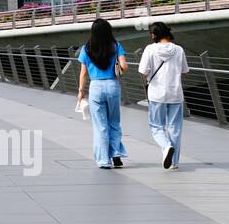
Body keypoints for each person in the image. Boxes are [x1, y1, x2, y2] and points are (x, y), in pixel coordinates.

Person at [77, 18, 128, 169]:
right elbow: (124, 66)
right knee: (114, 122)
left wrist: (81, 91)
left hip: (96, 87)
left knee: (100, 126)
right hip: (112, 84)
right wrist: (117, 68)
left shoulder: (86, 48)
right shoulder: (115, 45)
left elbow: (83, 73)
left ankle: (103, 161)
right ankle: (116, 154)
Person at [138, 21, 189, 170]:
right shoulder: (178, 50)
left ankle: (166, 146)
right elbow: (185, 71)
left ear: (154, 35)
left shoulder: (150, 49)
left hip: (156, 93)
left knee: (156, 126)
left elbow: (143, 71)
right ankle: (174, 162)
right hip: (175, 92)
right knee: (175, 127)